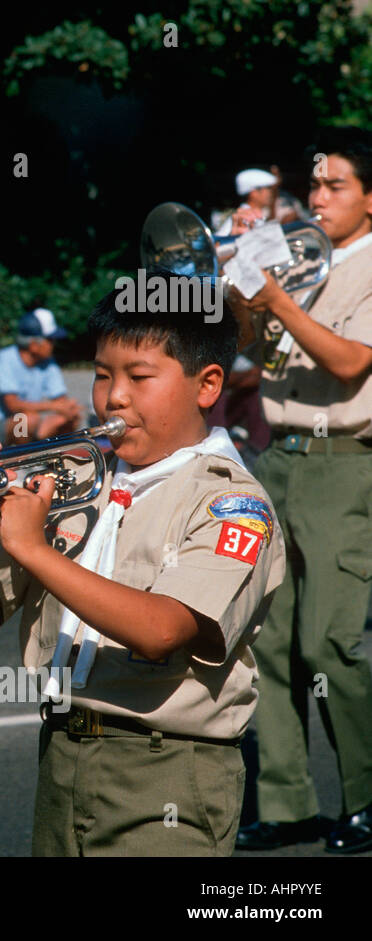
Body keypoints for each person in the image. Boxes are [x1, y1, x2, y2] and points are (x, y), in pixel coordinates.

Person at [0, 272, 286, 855]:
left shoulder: (228, 501)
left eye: (139, 378)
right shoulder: (81, 479)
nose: (113, 397)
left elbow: (162, 630)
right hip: (62, 755)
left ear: (208, 384)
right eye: (101, 374)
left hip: (165, 770)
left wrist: (33, 548)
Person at [229, 129, 372, 855]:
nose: (316, 198)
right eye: (314, 185)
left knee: (331, 642)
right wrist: (242, 294)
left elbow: (348, 362)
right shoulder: (307, 261)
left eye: (336, 185)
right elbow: (257, 354)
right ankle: (288, 803)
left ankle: (367, 796)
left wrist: (277, 297)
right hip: (277, 456)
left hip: (343, 460)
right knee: (274, 641)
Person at [0, 308, 83, 444]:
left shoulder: (48, 363)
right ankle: (20, 458)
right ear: (34, 345)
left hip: (28, 421)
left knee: (70, 417)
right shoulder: (5, 359)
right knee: (26, 420)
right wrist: (54, 407)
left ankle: (50, 457)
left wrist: (68, 409)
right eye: (50, 340)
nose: (54, 344)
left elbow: (61, 400)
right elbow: (13, 405)